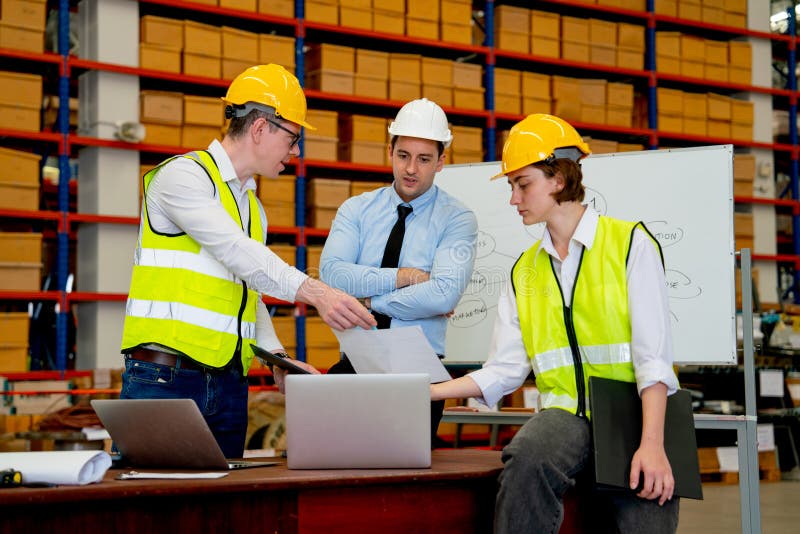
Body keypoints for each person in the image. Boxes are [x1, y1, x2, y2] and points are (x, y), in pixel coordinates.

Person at [430, 114, 681, 533]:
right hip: (563, 416)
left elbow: (653, 359)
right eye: (512, 186)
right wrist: (429, 391)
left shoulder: (630, 244)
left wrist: (653, 446)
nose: (514, 199)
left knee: (648, 508)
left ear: (559, 179)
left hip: (632, 415)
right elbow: (505, 369)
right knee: (525, 459)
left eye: (522, 184)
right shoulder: (524, 272)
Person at [119, 64, 375, 459]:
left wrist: (278, 358)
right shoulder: (182, 178)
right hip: (164, 378)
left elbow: (246, 293)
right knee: (156, 512)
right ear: (259, 129)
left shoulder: (252, 207)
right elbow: (235, 249)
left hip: (228, 385)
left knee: (222, 514)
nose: (296, 151)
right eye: (293, 138)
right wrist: (315, 292)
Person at [319, 98, 478, 443]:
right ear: (389, 150)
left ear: (441, 162)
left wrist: (369, 300)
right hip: (357, 358)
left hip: (420, 371)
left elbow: (444, 293)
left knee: (406, 476)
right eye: (403, 155)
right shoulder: (357, 210)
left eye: (424, 159)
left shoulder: (457, 219)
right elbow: (332, 274)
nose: (411, 168)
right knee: (330, 462)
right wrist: (404, 278)